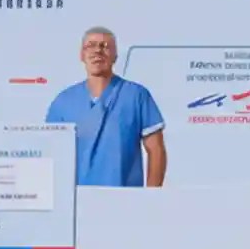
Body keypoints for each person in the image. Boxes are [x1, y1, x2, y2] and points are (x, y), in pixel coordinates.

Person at [46, 26, 167, 186]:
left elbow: (156, 149)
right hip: (76, 200)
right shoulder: (63, 102)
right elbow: (50, 155)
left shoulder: (136, 95)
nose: (97, 51)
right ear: (82, 55)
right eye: (91, 45)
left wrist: (150, 199)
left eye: (104, 46)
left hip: (124, 200)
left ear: (115, 56)